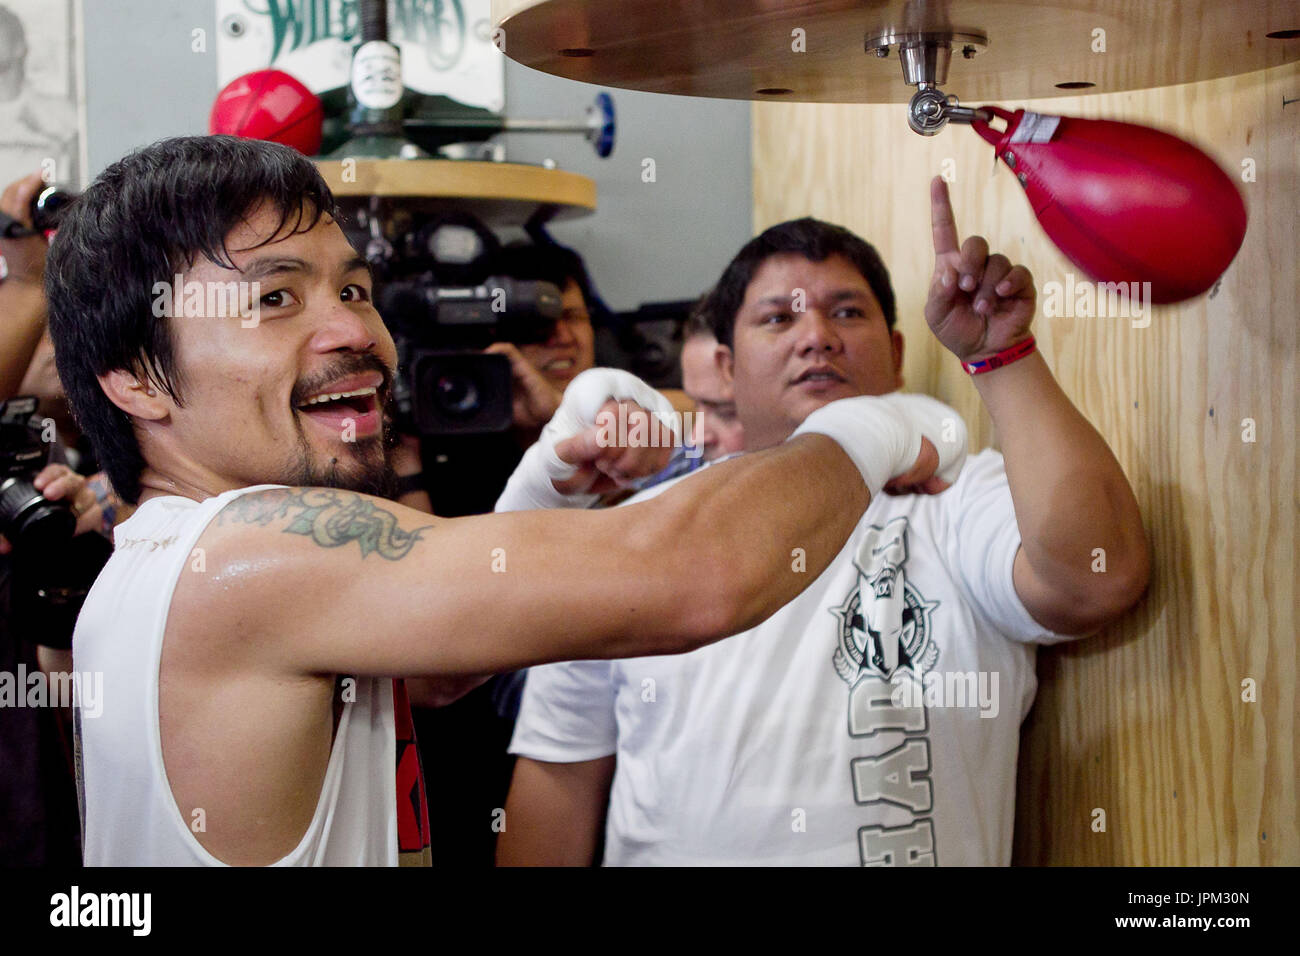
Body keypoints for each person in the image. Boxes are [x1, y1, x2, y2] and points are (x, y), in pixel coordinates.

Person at [46, 135, 959, 866]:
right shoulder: (245, 551)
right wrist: (875, 428)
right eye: (277, 297)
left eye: (353, 289)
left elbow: (435, 676)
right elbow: (697, 574)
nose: (354, 330)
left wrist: (548, 492)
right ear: (136, 380)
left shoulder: (157, 564)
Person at [497, 188, 1151, 866]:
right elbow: (556, 783)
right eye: (779, 318)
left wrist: (1001, 355)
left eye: (846, 311)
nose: (818, 336)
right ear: (725, 367)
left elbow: (1095, 581)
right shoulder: (638, 536)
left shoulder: (958, 498)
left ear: (897, 354)